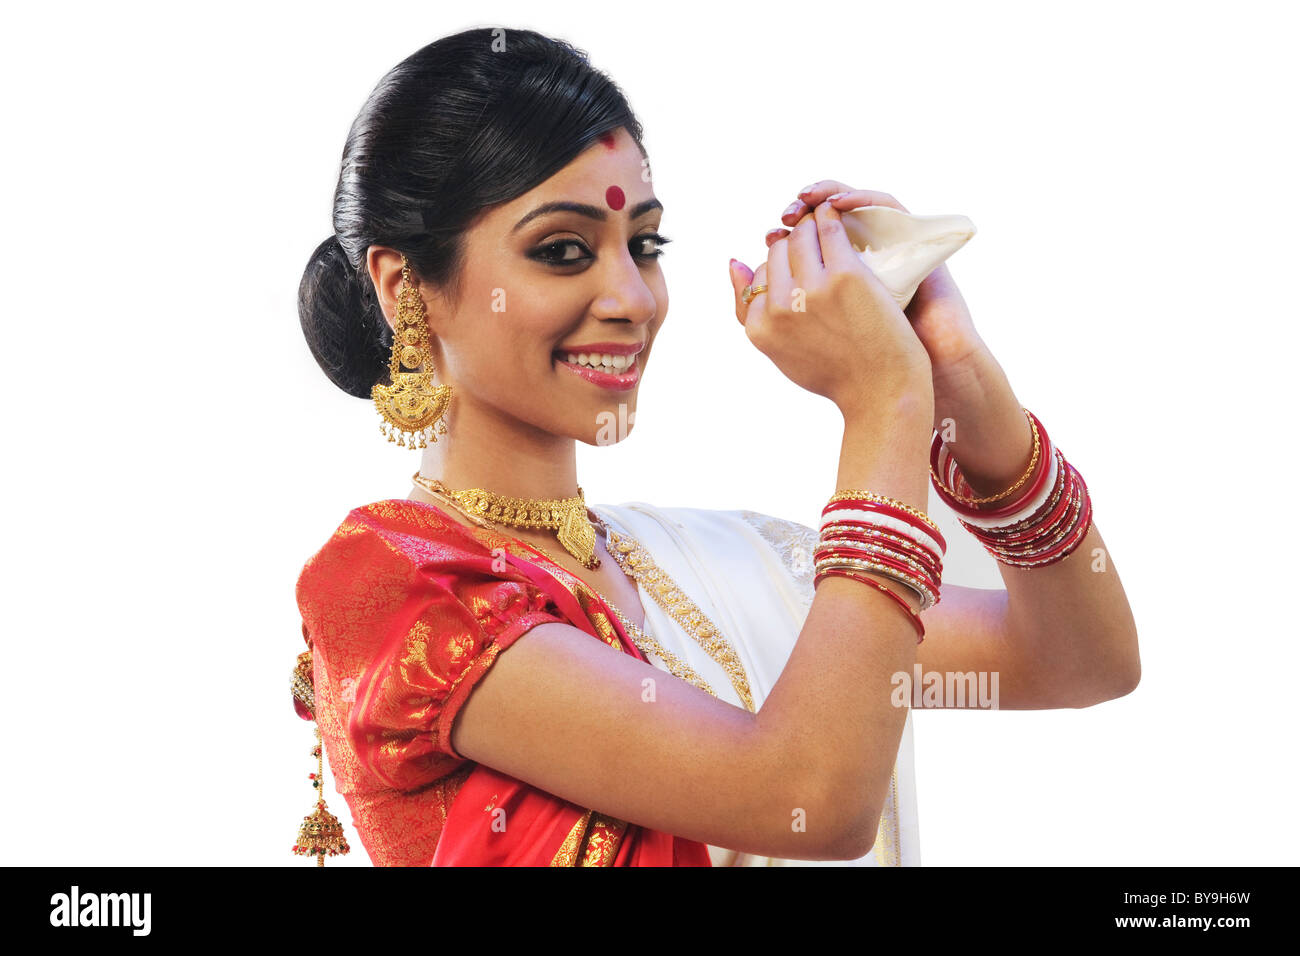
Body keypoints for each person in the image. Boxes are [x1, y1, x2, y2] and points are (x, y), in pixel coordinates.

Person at [289, 27, 1141, 867]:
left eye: (645, 246)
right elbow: (810, 799)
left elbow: (1076, 662)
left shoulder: (723, 561)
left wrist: (959, 378)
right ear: (409, 291)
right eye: (562, 251)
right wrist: (885, 407)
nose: (631, 297)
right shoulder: (401, 584)